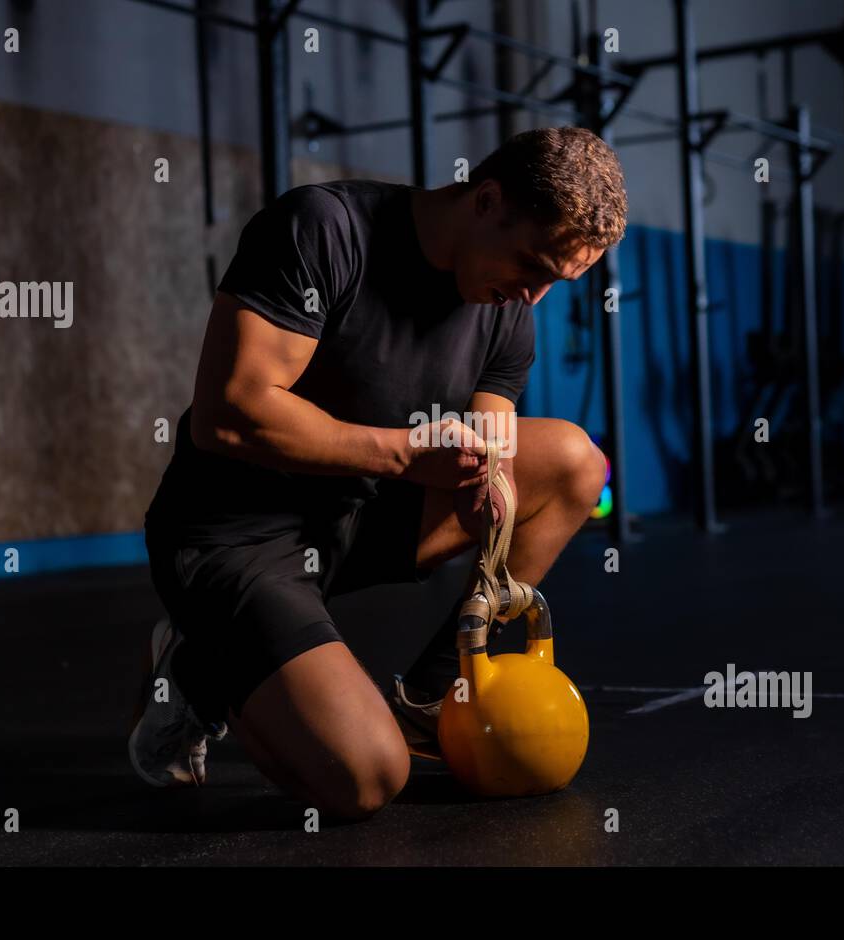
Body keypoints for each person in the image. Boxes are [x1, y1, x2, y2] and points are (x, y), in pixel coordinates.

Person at [131, 126, 627, 820]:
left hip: (355, 520)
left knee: (575, 462)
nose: (534, 296)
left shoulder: (506, 305)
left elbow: (491, 441)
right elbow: (231, 413)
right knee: (364, 779)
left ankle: (432, 698)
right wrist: (403, 453)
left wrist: (490, 487)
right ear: (486, 199)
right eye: (533, 266)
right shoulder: (323, 230)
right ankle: (199, 667)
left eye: (557, 282)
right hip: (232, 537)